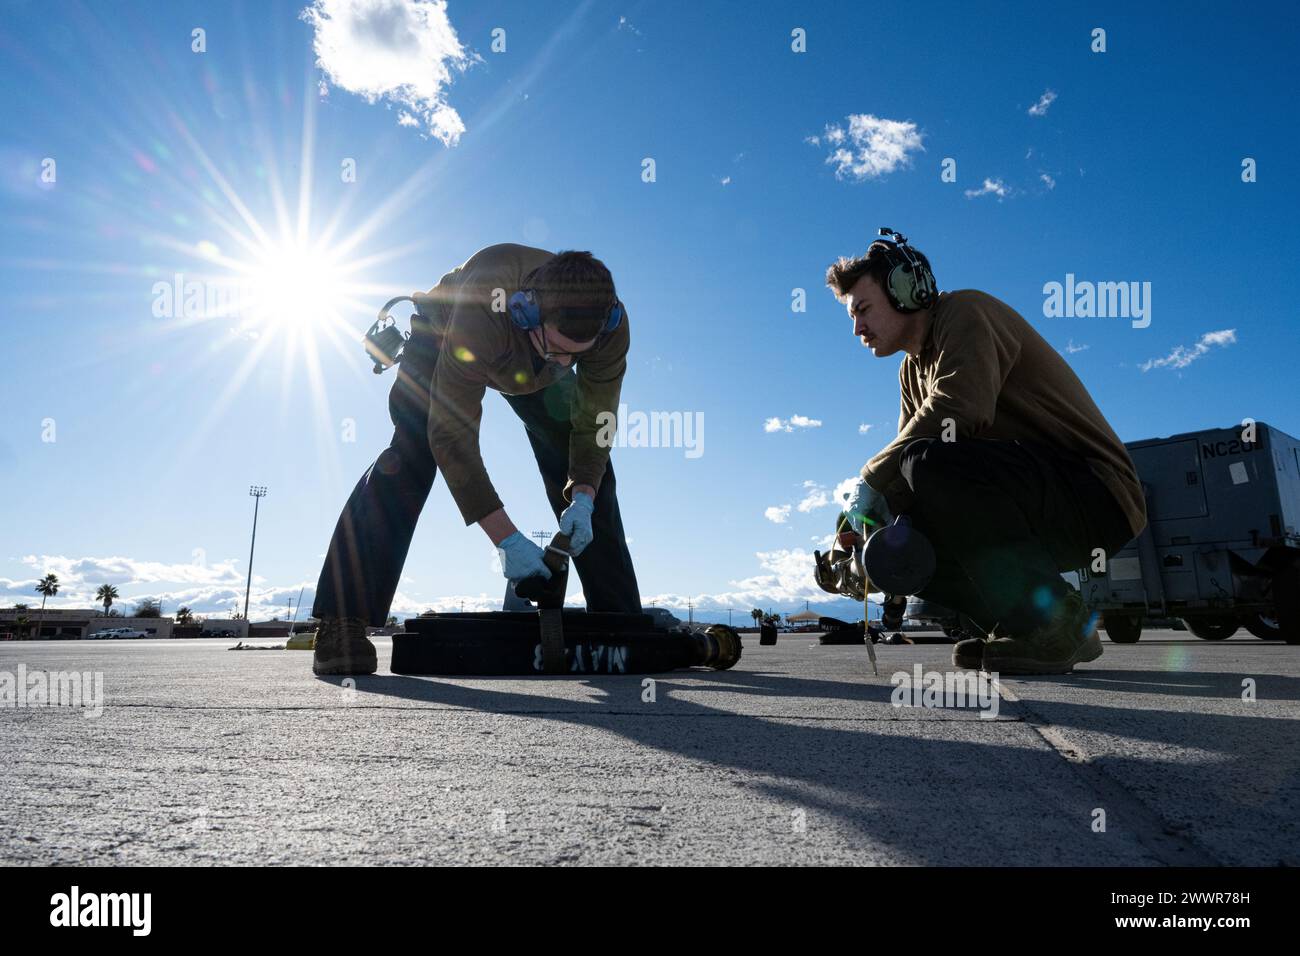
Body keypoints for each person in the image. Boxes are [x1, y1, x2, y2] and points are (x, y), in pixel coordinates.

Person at [311, 243, 641, 675]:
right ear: (526, 311)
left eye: (577, 356)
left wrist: (583, 496)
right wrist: (505, 538)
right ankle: (341, 620)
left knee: (589, 469)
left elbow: (597, 420)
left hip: (527, 367)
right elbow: (452, 435)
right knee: (411, 454)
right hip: (445, 338)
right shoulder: (487, 301)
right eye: (560, 349)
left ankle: (620, 622)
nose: (566, 363)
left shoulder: (610, 327)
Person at [826, 229, 1146, 675]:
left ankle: (1053, 622)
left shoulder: (966, 312)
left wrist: (869, 479)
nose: (857, 327)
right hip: (1031, 501)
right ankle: (1037, 627)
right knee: (902, 538)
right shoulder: (910, 371)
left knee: (928, 460)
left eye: (863, 309)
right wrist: (863, 537)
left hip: (1096, 493)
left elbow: (959, 410)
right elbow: (904, 478)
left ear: (906, 290)